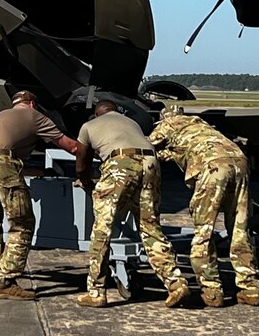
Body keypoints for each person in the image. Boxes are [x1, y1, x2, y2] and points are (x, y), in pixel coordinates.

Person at [74, 101, 190, 308]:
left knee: (102, 228)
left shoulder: (89, 126)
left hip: (120, 163)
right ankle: (176, 283)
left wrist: (86, 182)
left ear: (96, 114)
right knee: (150, 227)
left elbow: (81, 161)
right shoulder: (132, 122)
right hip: (150, 163)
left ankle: (96, 291)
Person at [0, 90, 80, 300]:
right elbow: (71, 146)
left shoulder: (2, 116)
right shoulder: (34, 116)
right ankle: (6, 280)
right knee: (23, 222)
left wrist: (36, 172)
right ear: (31, 105)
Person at [150, 106, 259, 307]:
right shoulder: (199, 124)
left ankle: (211, 289)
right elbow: (186, 148)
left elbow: (147, 146)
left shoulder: (168, 124)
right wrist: (169, 154)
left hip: (212, 167)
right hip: (239, 162)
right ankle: (250, 288)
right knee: (240, 229)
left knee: (204, 231)